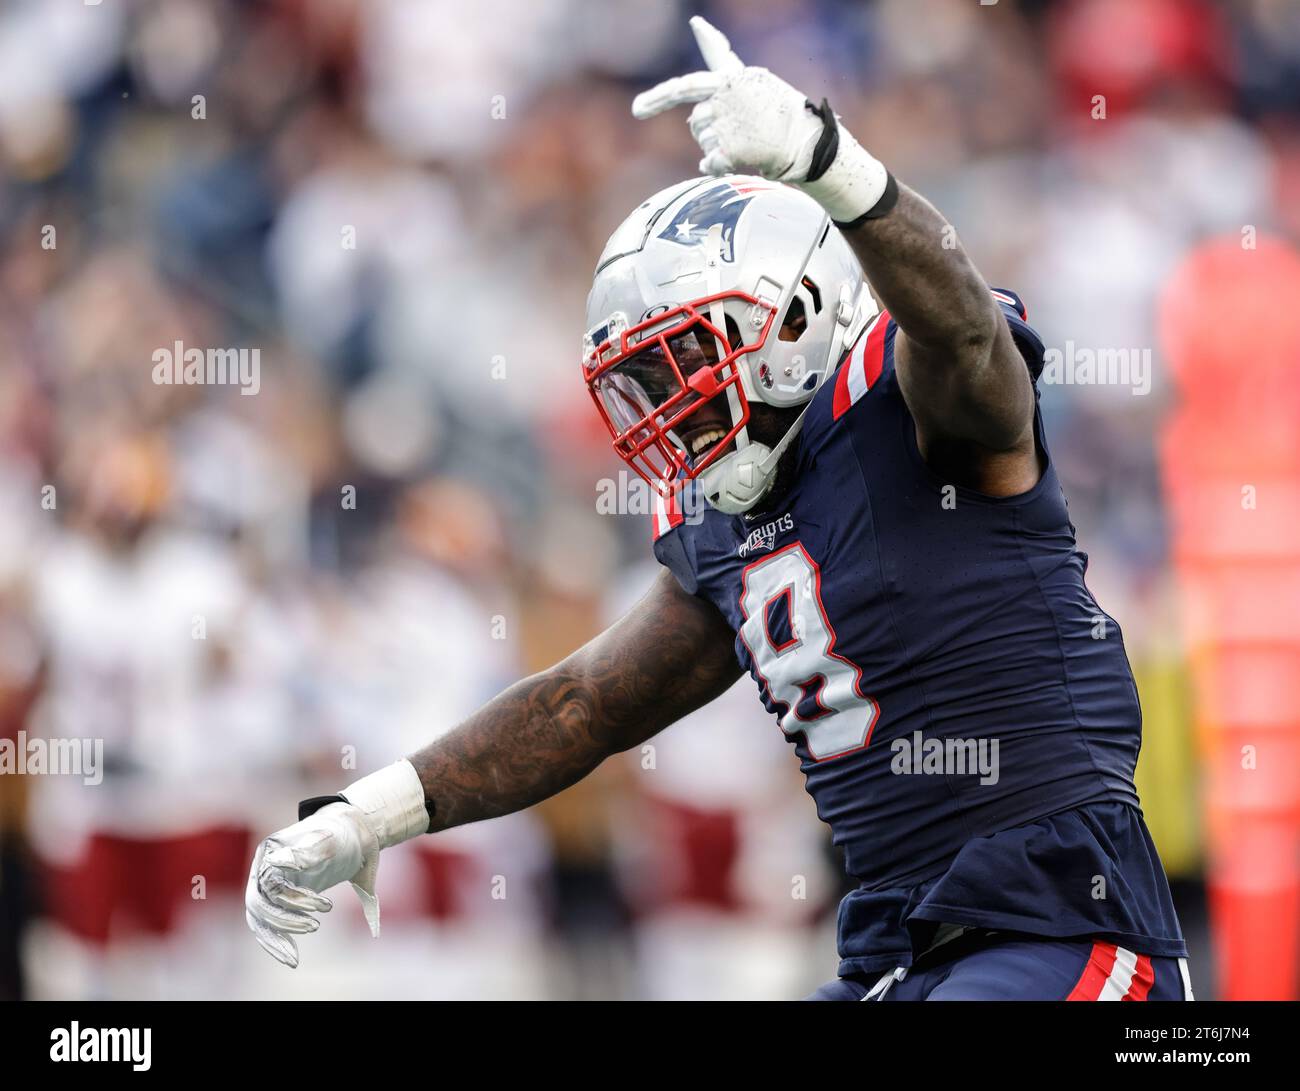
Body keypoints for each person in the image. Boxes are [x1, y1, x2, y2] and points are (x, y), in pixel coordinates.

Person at [245, 16, 1190, 1000]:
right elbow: (583, 703)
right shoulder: (726, 526)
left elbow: (959, 336)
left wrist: (831, 164)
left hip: (1062, 920)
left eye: (680, 357)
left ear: (789, 315)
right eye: (642, 377)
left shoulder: (908, 407)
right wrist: (367, 812)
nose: (664, 402)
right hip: (896, 946)